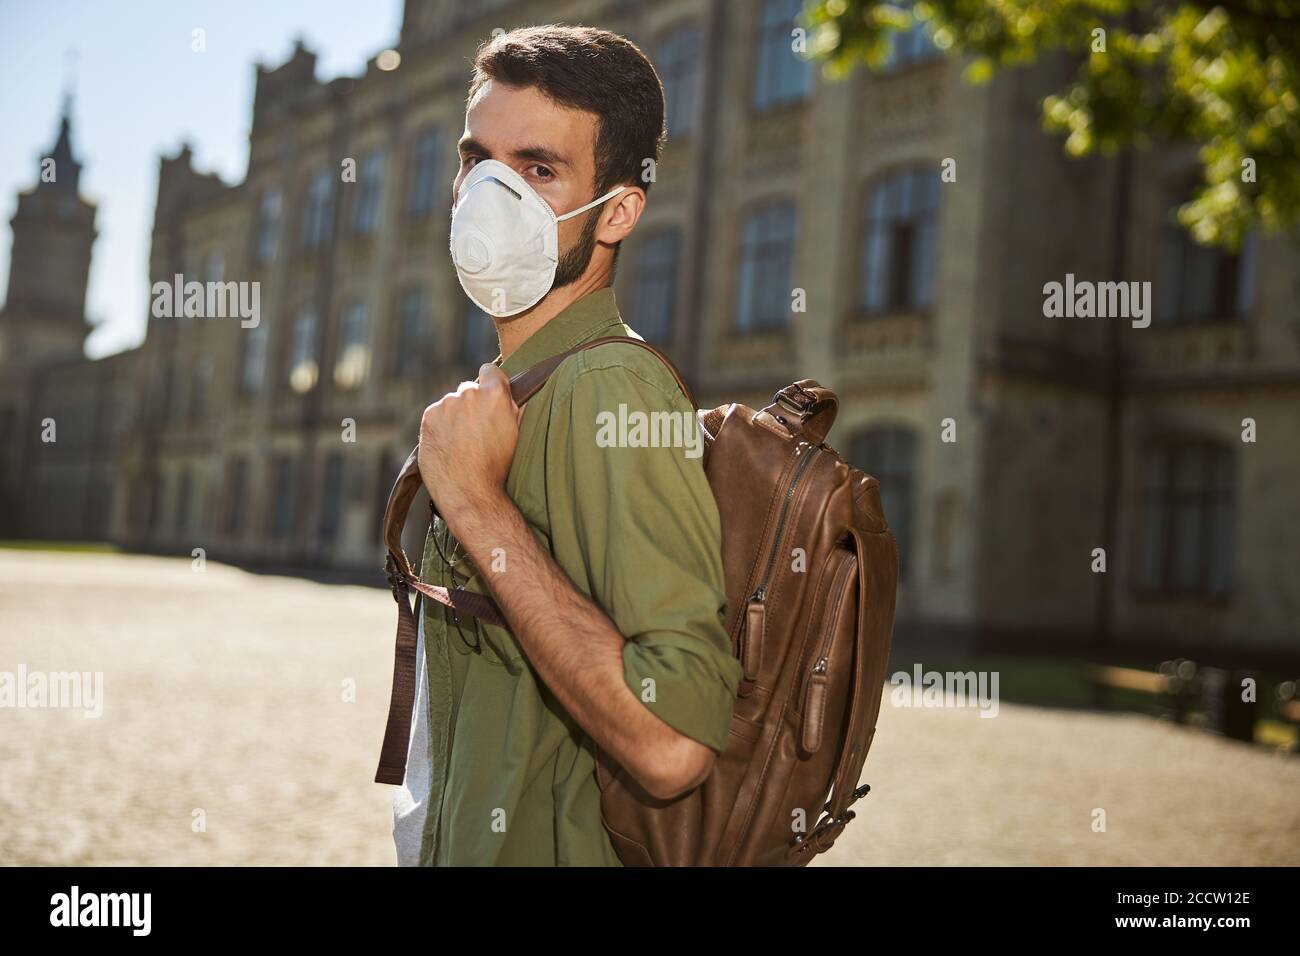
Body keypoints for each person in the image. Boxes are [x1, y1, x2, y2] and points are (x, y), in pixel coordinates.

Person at [391, 24, 742, 866]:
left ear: (617, 210)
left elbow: (670, 745)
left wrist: (476, 504)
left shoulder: (604, 388)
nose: (488, 195)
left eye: (539, 170)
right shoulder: (525, 384)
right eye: (478, 160)